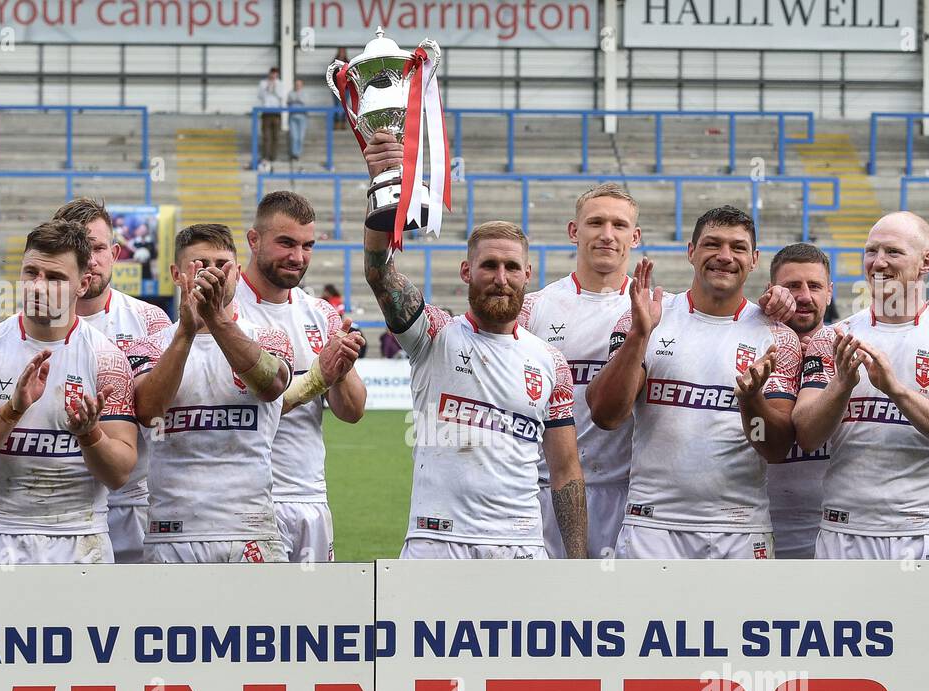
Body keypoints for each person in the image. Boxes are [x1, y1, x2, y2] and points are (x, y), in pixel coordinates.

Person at [360, 130, 587, 559]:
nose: (501, 278)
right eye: (489, 266)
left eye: (511, 267)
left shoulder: (550, 362)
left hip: (520, 548)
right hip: (438, 543)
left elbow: (566, 471)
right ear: (467, 271)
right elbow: (379, 273)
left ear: (527, 274)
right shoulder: (434, 335)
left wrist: (576, 561)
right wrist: (383, 192)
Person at [588, 205, 802, 559]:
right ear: (691, 252)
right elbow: (606, 415)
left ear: (754, 259)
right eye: (711, 245)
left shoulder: (775, 334)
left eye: (737, 247)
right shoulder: (648, 317)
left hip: (739, 528)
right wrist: (639, 336)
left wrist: (751, 402)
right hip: (653, 524)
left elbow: (776, 449)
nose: (724, 257)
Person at [0, 219, 138, 565]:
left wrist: (89, 435)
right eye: (31, 273)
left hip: (81, 537)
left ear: (83, 283)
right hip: (0, 534)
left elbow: (120, 474)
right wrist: (10, 412)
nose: (38, 287)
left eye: (56, 278)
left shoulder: (107, 359)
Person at [793, 212, 929, 560]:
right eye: (871, 251)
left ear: (926, 262)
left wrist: (895, 390)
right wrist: (841, 385)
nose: (878, 262)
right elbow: (807, 436)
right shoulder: (832, 337)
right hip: (846, 529)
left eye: (892, 252)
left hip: (924, 531)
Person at [129, 224, 296, 563]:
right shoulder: (149, 344)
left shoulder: (269, 338)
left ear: (236, 271)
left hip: (251, 530)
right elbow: (149, 411)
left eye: (222, 265)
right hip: (172, 532)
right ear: (177, 274)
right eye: (200, 265)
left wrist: (215, 318)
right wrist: (187, 333)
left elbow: (271, 387)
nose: (214, 274)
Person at [233, 192, 365, 563]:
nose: (298, 257)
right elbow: (247, 407)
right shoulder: (228, 312)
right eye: (286, 243)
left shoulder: (319, 314)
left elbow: (352, 412)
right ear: (253, 240)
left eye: (307, 245)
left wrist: (342, 368)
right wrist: (318, 377)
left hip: (309, 497)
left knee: (313, 616)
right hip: (248, 501)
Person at [517, 182, 641, 558]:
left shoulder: (658, 310)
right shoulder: (533, 308)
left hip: (625, 495)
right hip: (542, 490)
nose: (607, 235)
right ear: (574, 231)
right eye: (595, 223)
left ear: (634, 237)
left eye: (619, 226)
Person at [54, 197, 172, 564]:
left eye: (99, 247)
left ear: (116, 252)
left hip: (133, 505)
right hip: (58, 505)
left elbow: (163, 414)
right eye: (79, 248)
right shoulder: (31, 328)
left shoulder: (150, 321)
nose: (90, 259)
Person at [765, 243, 834, 559]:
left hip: (836, 532)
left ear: (830, 293)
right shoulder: (744, 343)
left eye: (815, 286)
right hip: (757, 527)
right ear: (772, 291)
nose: (804, 296)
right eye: (792, 286)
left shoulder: (852, 350)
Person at [257, 67, 285, 170]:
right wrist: (267, 88)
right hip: (266, 112)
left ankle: (273, 156)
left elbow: (281, 95)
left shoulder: (280, 83)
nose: (273, 76)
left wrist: (274, 87)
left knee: (276, 136)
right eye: (272, 74)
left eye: (275, 74)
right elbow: (260, 96)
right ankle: (266, 155)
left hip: (276, 112)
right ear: (269, 74)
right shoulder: (263, 83)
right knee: (266, 136)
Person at [288, 79, 308, 163]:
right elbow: (289, 102)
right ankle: (294, 154)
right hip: (293, 117)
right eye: (296, 84)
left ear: (302, 85)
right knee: (294, 137)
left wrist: (296, 100)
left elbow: (305, 103)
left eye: (299, 84)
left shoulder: (305, 93)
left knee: (300, 137)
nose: (297, 86)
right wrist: (297, 101)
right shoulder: (290, 93)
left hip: (302, 117)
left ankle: (298, 153)